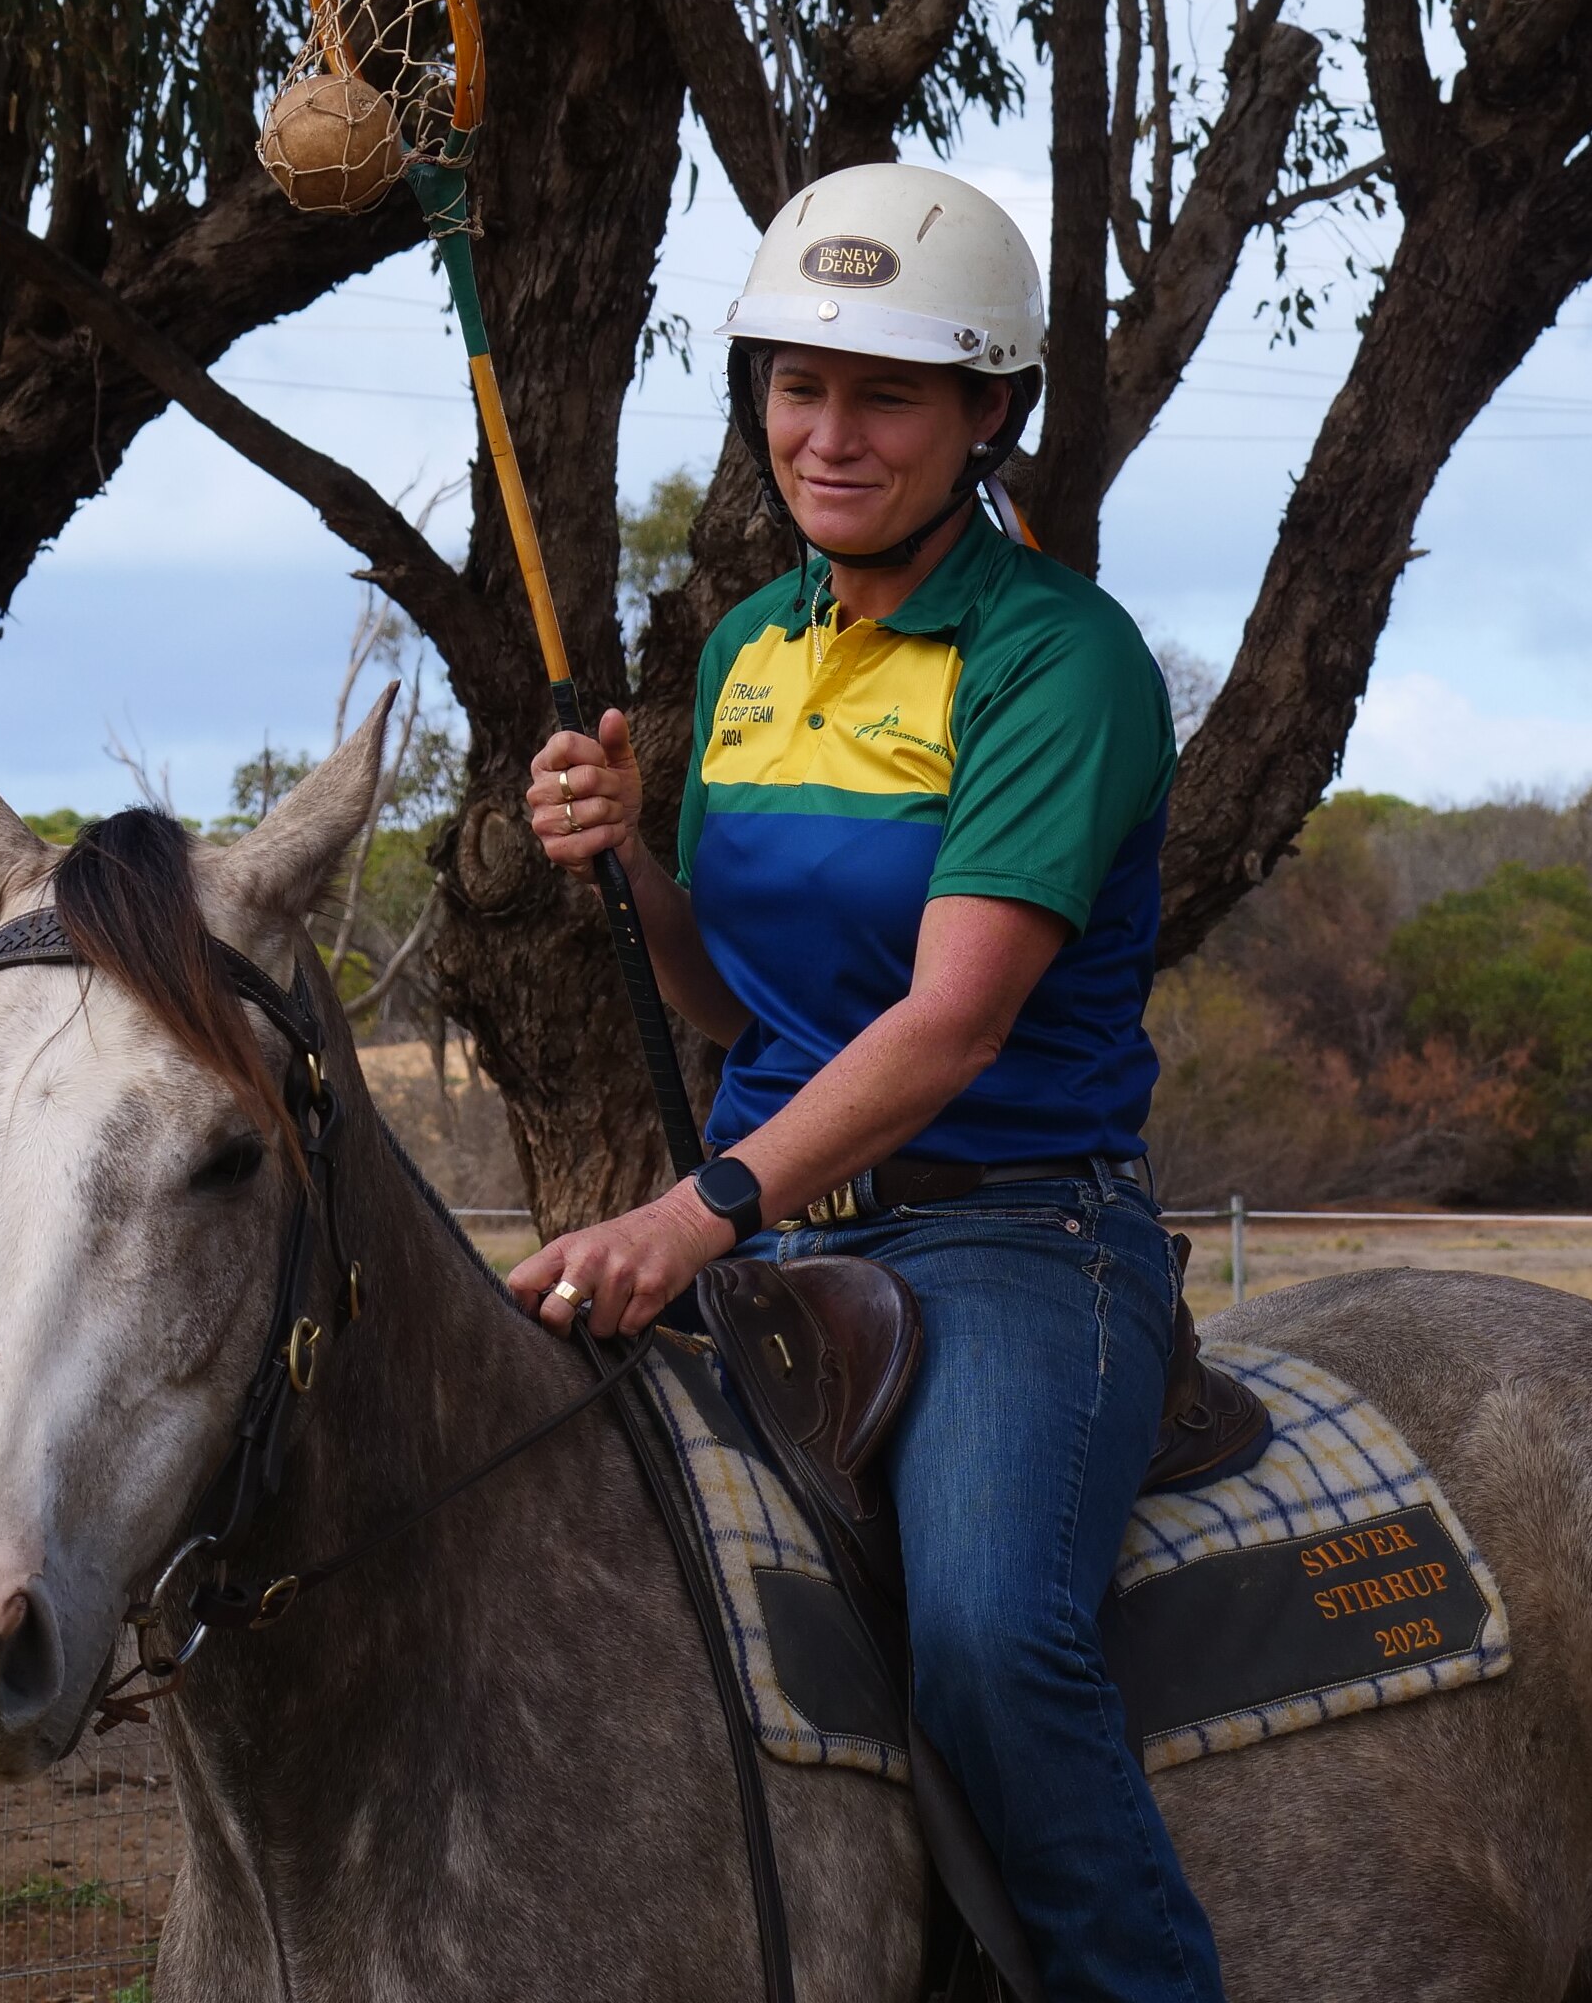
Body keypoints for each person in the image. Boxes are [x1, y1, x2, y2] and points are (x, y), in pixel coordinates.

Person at [504, 162, 1222, 2001]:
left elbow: (950, 1026)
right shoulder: (753, 648)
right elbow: (741, 1011)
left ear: (990, 412)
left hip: (1010, 1239)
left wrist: (694, 1209)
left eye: (889, 392)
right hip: (768, 1236)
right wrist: (630, 866)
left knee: (991, 1642)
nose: (830, 434)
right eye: (797, 385)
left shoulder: (1058, 661)